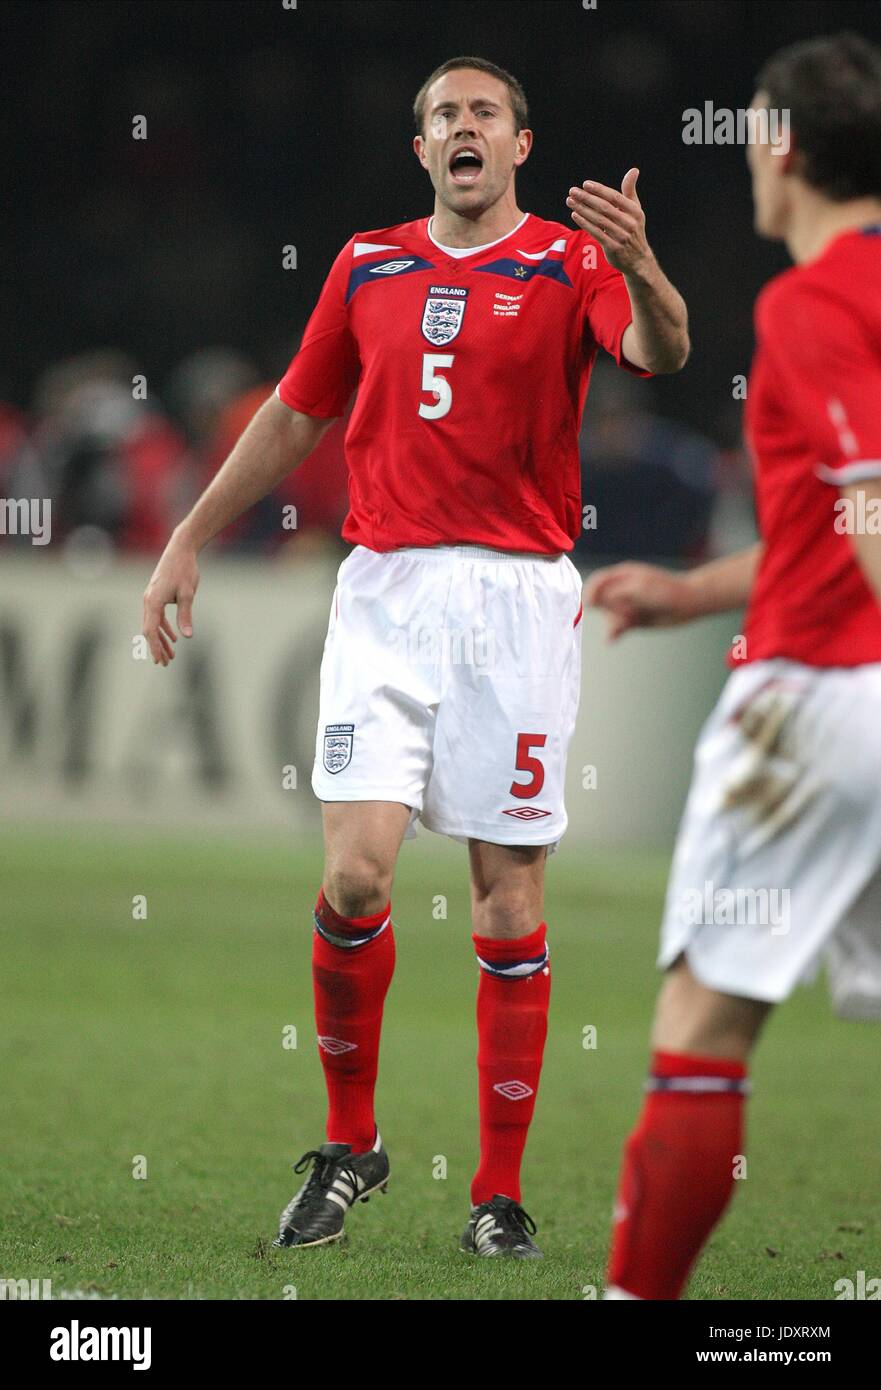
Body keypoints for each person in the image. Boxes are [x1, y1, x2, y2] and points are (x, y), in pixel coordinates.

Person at [142, 55, 688, 1257]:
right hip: (383, 590)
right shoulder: (366, 262)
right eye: (442, 114)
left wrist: (645, 265)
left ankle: (496, 1196)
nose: (461, 128)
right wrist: (189, 532)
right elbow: (295, 409)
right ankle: (351, 1147)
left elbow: (660, 353)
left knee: (506, 896)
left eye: (482, 113)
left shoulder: (570, 261)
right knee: (353, 882)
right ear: (421, 148)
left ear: (520, 144)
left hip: (514, 600)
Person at [587, 32, 881, 1300]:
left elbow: (870, 518)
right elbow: (823, 534)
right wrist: (690, 590)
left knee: (700, 1034)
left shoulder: (808, 302)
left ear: (783, 148)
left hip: (816, 707)